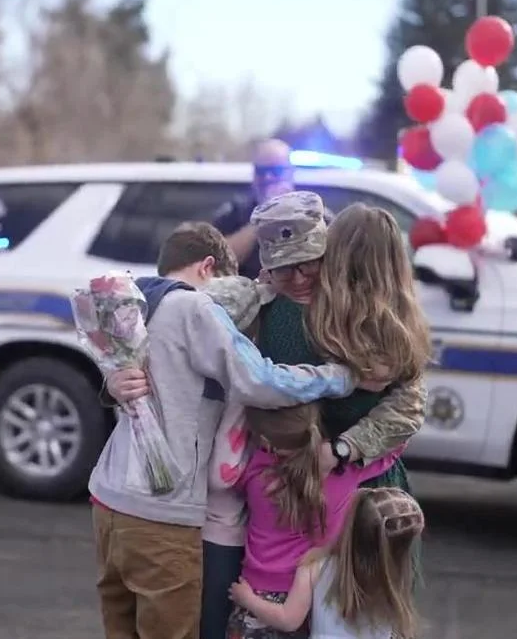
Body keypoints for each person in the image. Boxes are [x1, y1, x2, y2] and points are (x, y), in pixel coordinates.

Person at [110, 195, 428, 639]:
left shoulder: (371, 318)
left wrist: (343, 448)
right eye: (283, 266)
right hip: (277, 493)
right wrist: (117, 376)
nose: (298, 278)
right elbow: (147, 318)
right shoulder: (253, 300)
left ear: (329, 254)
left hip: (352, 498)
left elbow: (409, 404)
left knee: (357, 623)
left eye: (308, 264)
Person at [225, 404, 405, 639]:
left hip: (258, 591)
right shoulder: (346, 473)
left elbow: (227, 478)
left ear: (269, 442)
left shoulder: (258, 472)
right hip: (318, 594)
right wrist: (344, 449)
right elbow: (396, 444)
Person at [229, 488, 425, 639]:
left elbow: (288, 620)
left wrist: (248, 599)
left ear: (351, 524)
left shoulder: (315, 567)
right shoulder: (395, 581)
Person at [213, 139, 297, 279]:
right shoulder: (235, 213)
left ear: (290, 172)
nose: (267, 177)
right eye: (261, 171)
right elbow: (219, 262)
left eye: (275, 171)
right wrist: (264, 215)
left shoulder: (312, 212)